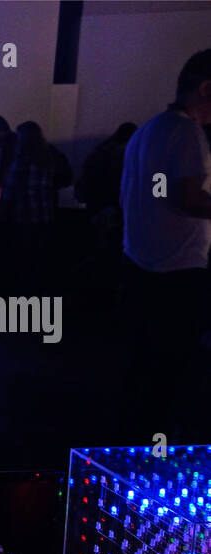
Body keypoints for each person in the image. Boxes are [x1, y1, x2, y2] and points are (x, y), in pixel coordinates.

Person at [119, 49, 211, 440]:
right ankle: (160, 455)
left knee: (144, 370)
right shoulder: (188, 133)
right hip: (178, 273)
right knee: (172, 372)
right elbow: (188, 198)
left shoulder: (146, 131)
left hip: (141, 266)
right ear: (206, 88)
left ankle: (136, 445)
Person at [0, 121, 72, 293]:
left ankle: (20, 297)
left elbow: (9, 194)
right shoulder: (48, 159)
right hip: (45, 218)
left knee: (22, 262)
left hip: (24, 220)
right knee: (39, 261)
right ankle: (37, 296)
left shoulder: (21, 162)